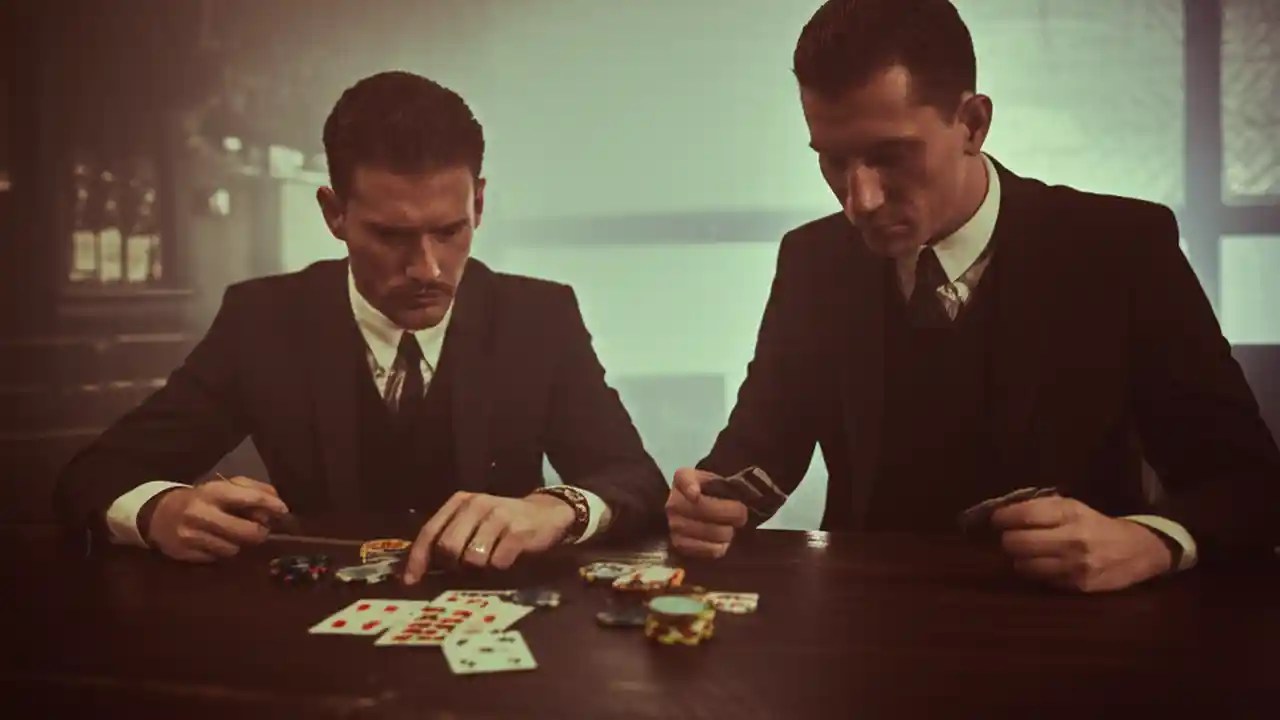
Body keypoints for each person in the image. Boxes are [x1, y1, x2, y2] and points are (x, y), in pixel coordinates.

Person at [666, 0, 1280, 592]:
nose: (860, 201)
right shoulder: (813, 259)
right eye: (833, 161)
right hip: (862, 625)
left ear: (973, 124)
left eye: (890, 157)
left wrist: (1149, 542)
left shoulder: (1119, 248)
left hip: (1075, 628)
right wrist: (709, 501)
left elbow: (1250, 483)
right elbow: (761, 447)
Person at [55, 71, 668, 583]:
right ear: (334, 214)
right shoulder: (262, 320)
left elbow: (635, 480)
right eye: (391, 235)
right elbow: (91, 477)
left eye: (449, 230)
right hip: (314, 639)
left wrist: (556, 508)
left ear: (478, 204)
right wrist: (160, 510)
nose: (427, 268)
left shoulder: (540, 317)